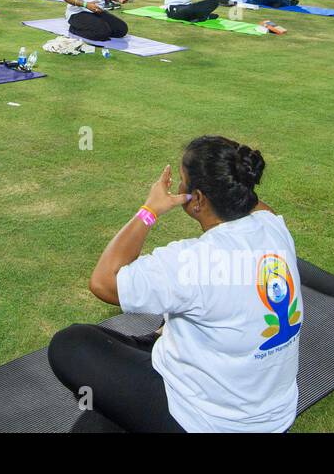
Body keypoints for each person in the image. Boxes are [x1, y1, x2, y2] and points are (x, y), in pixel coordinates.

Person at [47, 136, 301, 433]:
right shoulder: (273, 227)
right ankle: (160, 338)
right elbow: (254, 205)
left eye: (183, 183)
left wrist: (150, 209)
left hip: (212, 424)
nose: (179, 190)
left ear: (199, 199)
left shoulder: (190, 261)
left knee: (71, 344)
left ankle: (158, 341)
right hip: (275, 418)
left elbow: (103, 281)